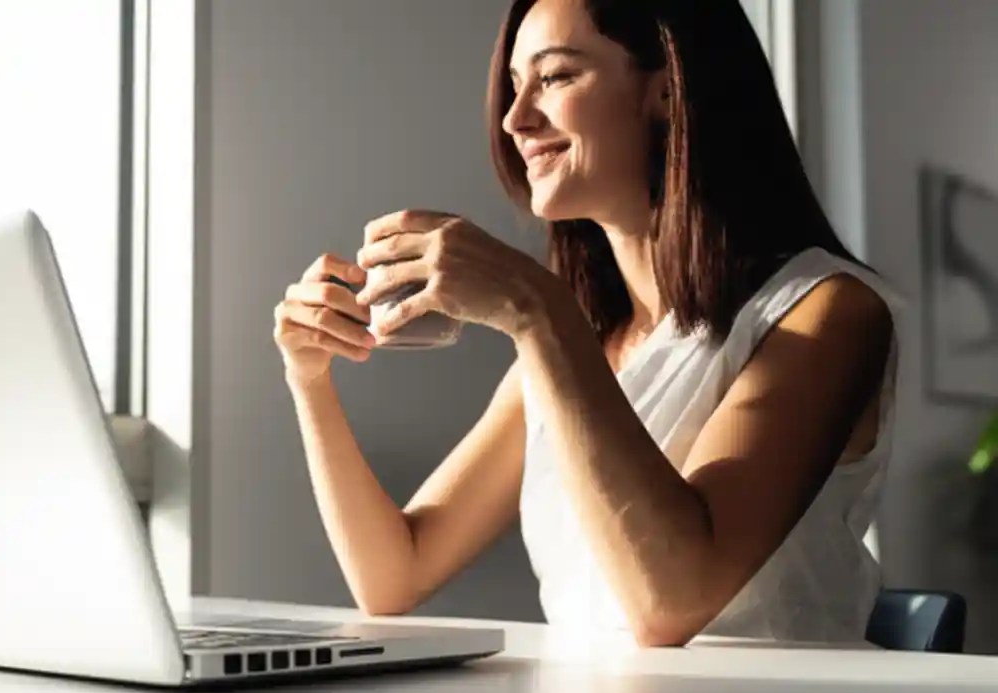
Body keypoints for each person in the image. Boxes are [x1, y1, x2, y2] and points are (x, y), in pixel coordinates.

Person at [271, 0, 898, 647]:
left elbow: (673, 601)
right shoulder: (572, 342)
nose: (515, 119)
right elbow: (394, 575)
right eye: (516, 86)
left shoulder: (827, 312)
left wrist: (536, 308)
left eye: (556, 76)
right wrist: (309, 379)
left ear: (666, 91)